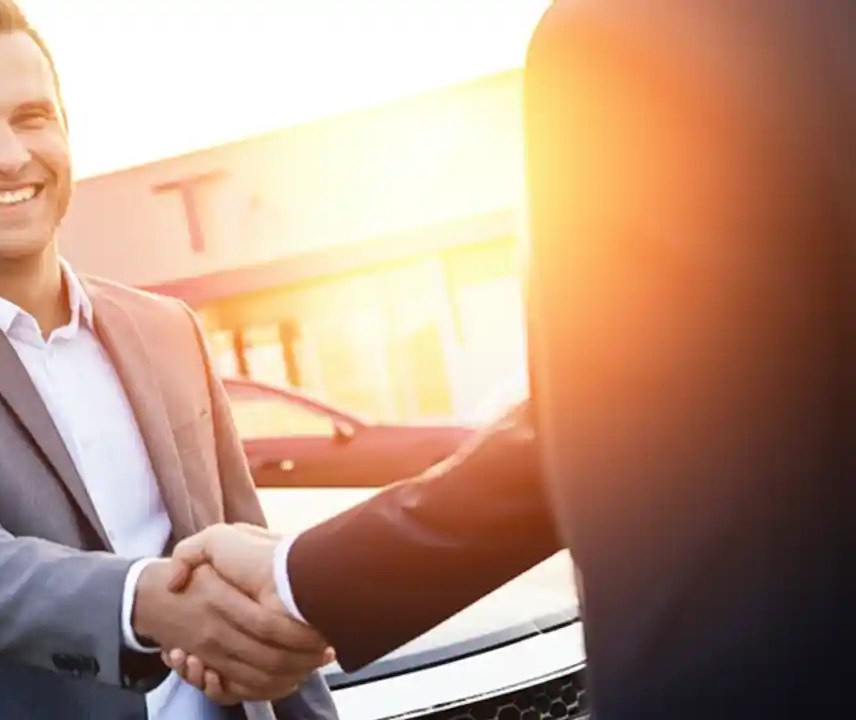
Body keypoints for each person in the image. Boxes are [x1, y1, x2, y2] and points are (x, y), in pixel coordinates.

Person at [163, 0, 856, 716]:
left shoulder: (648, 30)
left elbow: (653, 411)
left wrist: (299, 582)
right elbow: (711, 383)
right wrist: (307, 578)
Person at [0, 1, 338, 718]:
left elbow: (251, 560)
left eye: (31, 116)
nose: (10, 154)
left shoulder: (167, 327)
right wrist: (149, 602)